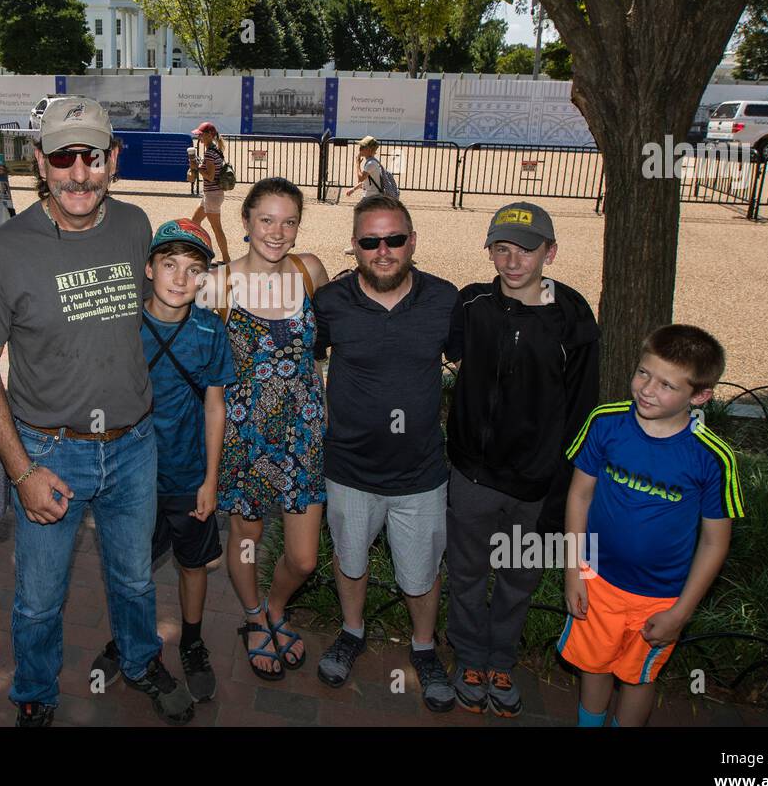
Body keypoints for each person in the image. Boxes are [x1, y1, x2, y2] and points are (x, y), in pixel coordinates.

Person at [0, 96, 195, 727]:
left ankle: (141, 661)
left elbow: (156, 314)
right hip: (49, 454)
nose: (79, 172)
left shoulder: (137, 226)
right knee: (38, 600)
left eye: (92, 156)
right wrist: (20, 470)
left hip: (134, 447)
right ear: (40, 162)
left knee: (137, 582)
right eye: (64, 157)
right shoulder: (2, 252)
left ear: (113, 160)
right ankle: (35, 694)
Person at [443, 201, 599, 717]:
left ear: (549, 253)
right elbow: (445, 357)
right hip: (472, 472)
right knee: (466, 572)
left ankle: (501, 659)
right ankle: (468, 654)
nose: (513, 262)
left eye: (526, 251)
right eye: (501, 249)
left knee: (517, 577)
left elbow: (581, 408)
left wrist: (564, 483)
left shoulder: (572, 318)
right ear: (489, 251)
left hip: (535, 481)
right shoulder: (471, 304)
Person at [311, 195, 458, 710]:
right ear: (354, 246)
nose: (383, 250)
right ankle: (352, 632)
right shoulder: (330, 301)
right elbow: (307, 357)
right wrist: (321, 414)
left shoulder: (444, 299)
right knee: (350, 561)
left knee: (421, 571)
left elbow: (474, 369)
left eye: (394, 239)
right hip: (348, 467)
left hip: (421, 471)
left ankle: (424, 647)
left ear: (412, 241)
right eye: (370, 241)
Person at [561, 324, 743, 727]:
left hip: (660, 596)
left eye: (667, 385)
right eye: (644, 373)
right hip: (595, 579)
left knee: (638, 677)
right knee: (593, 667)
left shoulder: (712, 458)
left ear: (699, 396)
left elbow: (715, 543)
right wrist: (573, 570)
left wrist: (681, 613)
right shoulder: (605, 422)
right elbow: (579, 496)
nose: (646, 389)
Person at [90, 219, 237, 704]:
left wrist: (211, 480)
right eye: (169, 265)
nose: (179, 278)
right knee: (131, 568)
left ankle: (191, 644)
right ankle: (127, 641)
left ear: (204, 279)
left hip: (189, 474)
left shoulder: (210, 330)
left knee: (194, 565)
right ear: (149, 268)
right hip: (132, 477)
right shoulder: (123, 324)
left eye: (193, 269)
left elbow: (216, 405)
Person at [212, 177, 329, 680]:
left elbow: (335, 347)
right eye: (266, 219)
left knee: (303, 557)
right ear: (246, 222)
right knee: (247, 536)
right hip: (242, 435)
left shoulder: (310, 272)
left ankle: (277, 605)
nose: (277, 232)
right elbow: (196, 367)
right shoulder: (218, 284)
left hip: (303, 433)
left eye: (289, 221)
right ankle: (255, 615)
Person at [188, 122, 231, 265]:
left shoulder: (210, 153)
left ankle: (224, 259)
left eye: (201, 134)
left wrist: (197, 167)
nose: (199, 137)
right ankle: (207, 254)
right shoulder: (216, 150)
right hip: (212, 194)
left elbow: (210, 176)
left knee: (217, 229)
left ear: (208, 135)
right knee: (195, 222)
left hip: (212, 194)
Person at [346, 136, 397, 200]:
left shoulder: (371, 164)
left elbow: (361, 178)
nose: (360, 149)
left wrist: (357, 164)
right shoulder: (372, 162)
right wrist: (353, 189)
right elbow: (365, 181)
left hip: (371, 197)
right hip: (373, 196)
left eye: (362, 147)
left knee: (359, 209)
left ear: (369, 149)